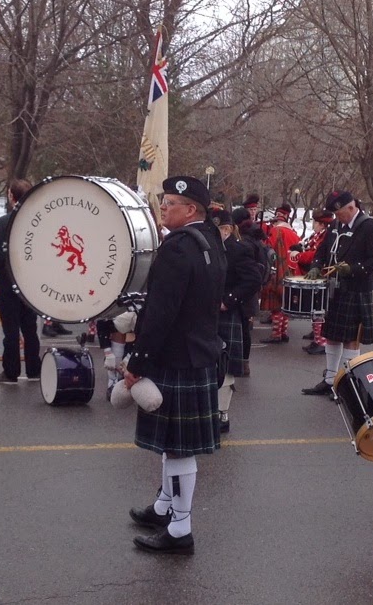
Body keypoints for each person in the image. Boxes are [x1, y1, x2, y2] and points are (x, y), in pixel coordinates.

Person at [124, 175, 225, 555]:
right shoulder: (210, 240)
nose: (163, 207)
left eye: (169, 202)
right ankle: (165, 506)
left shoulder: (178, 248)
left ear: (191, 209)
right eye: (163, 201)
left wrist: (138, 361)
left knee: (180, 449)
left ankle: (180, 529)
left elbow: (162, 313)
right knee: (173, 444)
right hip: (198, 352)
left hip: (177, 357)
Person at [302, 191, 373, 396]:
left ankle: (349, 383)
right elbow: (322, 250)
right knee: (331, 335)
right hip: (336, 288)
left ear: (351, 207)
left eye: (340, 213)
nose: (337, 218)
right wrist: (316, 265)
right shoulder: (335, 225)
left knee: (351, 338)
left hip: (357, 289)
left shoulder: (369, 226)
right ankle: (330, 380)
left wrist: (352, 269)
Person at [211, 207, 260, 433]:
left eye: (217, 229)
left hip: (227, 313)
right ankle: (208, 409)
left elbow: (253, 279)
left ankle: (222, 412)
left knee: (226, 365)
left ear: (227, 229)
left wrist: (228, 301)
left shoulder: (239, 251)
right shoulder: (205, 249)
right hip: (204, 314)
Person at [0, 180, 41, 385]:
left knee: (11, 330)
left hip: (7, 281)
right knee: (30, 329)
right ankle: (34, 369)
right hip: (29, 282)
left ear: (11, 196)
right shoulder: (37, 220)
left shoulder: (4, 221)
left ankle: (11, 372)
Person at [291, 209, 334, 355]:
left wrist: (299, 256)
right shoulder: (318, 236)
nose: (313, 225)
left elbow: (315, 255)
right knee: (314, 309)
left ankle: (320, 342)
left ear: (322, 224)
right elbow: (308, 247)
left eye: (315, 222)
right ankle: (316, 337)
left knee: (319, 310)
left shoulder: (325, 237)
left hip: (320, 277)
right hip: (313, 276)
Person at [232, 206, 269, 376]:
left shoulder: (246, 242)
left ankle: (242, 363)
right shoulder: (255, 238)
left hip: (245, 289)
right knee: (245, 328)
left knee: (243, 329)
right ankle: (243, 362)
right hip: (251, 290)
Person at [260, 203, 302, 344]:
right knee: (285, 303)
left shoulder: (275, 231)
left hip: (277, 269)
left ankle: (276, 334)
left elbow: (268, 249)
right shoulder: (294, 233)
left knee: (276, 305)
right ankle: (283, 332)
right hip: (292, 271)